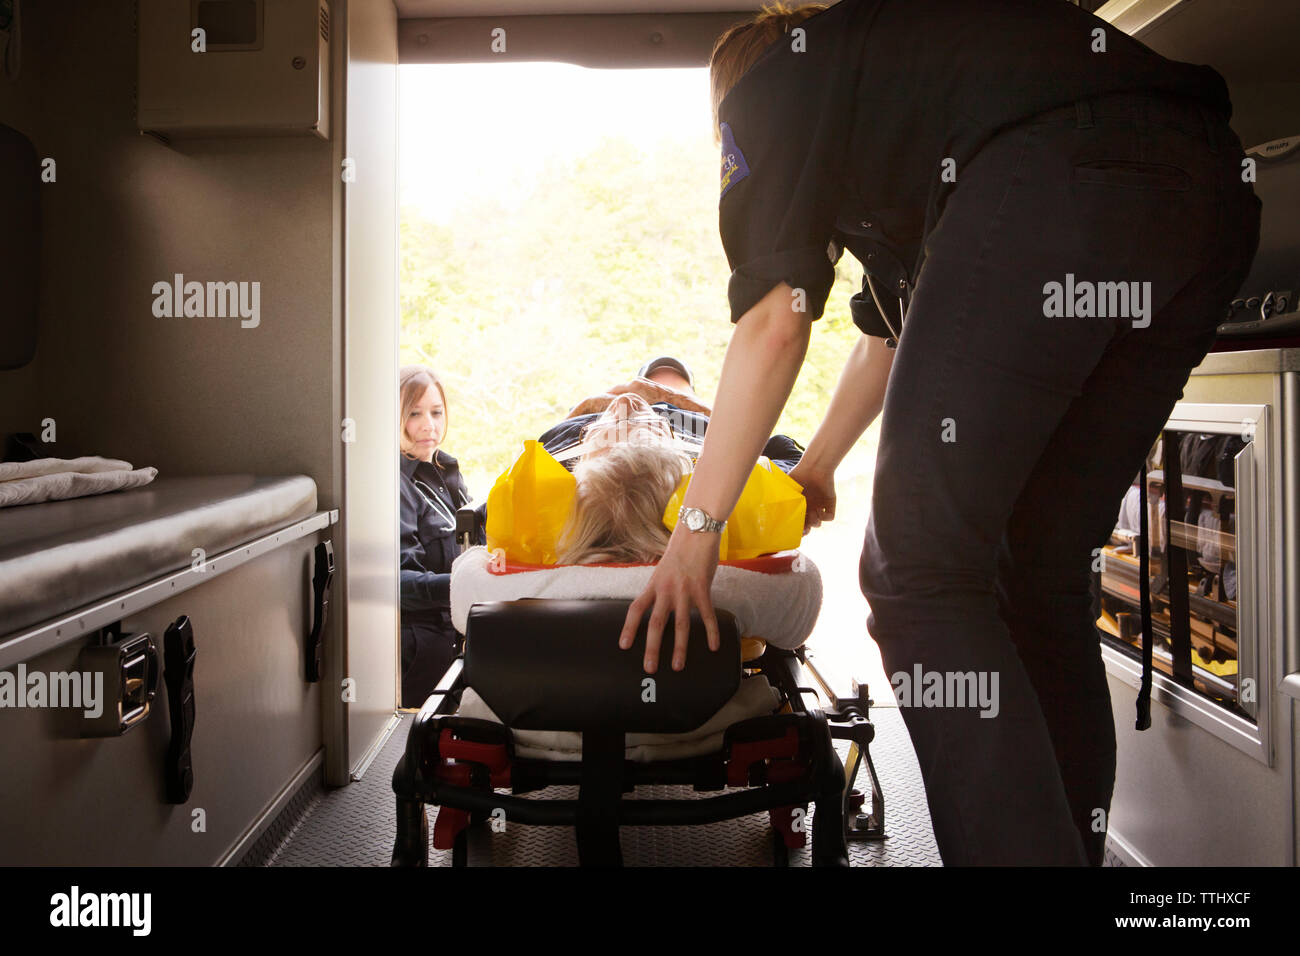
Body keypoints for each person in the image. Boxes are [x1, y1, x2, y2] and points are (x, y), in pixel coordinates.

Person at [618, 0, 1260, 866]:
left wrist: (694, 534)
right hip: (1208, 195)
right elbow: (895, 335)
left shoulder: (769, 82)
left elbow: (774, 323)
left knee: (919, 574)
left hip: (1064, 173)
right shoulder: (905, 122)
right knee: (1037, 569)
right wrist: (815, 465)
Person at [398, 364, 483, 708]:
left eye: (436, 412)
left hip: (456, 640)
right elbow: (399, 582)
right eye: (414, 413)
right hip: (419, 651)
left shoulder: (446, 472)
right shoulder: (395, 483)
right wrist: (469, 583)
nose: (428, 425)